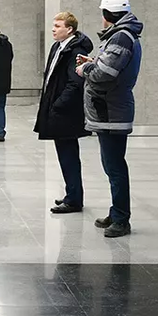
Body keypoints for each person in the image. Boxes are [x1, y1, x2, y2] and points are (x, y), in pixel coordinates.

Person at [75, 0, 143, 238]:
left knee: (114, 167)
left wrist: (85, 68)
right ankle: (117, 212)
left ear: (107, 13)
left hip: (112, 111)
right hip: (109, 110)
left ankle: (122, 219)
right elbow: (109, 65)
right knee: (111, 164)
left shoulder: (121, 38)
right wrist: (94, 60)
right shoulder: (120, 36)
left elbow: (105, 73)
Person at [35, 12, 94, 214]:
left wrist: (59, 104)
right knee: (64, 154)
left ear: (69, 29)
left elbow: (75, 82)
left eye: (58, 26)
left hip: (66, 111)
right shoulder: (57, 47)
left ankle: (75, 199)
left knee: (69, 155)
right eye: (53, 25)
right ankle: (72, 194)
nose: (53, 29)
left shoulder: (75, 50)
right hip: (56, 107)